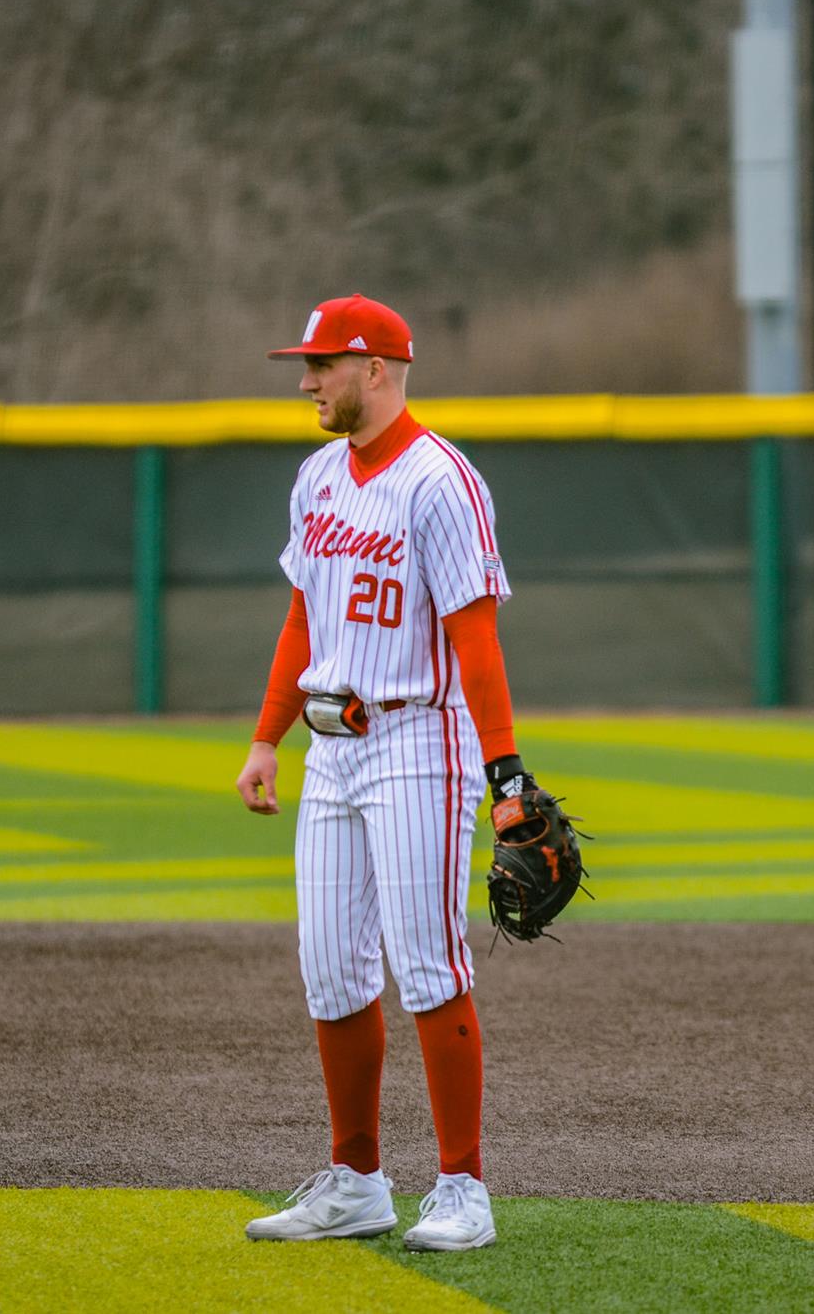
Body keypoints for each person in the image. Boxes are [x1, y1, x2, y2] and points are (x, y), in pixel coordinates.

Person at [236, 294, 540, 1250]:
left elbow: (475, 638)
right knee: (329, 969)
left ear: (374, 368)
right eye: (308, 363)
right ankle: (357, 1181)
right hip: (332, 746)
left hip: (419, 741)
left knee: (427, 961)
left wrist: (507, 778)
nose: (307, 379)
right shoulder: (318, 474)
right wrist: (264, 738)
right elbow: (303, 617)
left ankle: (464, 1190)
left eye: (323, 363)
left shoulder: (440, 481)